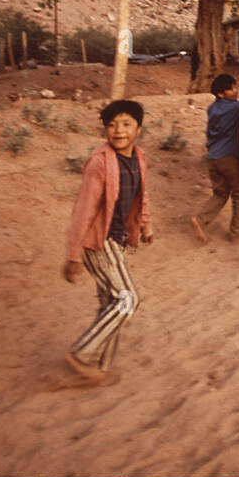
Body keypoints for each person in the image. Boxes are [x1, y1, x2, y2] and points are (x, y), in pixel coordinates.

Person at [63, 99, 153, 384]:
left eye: (126, 124)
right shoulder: (99, 163)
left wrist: (146, 225)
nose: (118, 131)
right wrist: (73, 254)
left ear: (138, 128)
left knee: (109, 305)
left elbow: (142, 195)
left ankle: (99, 367)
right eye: (112, 125)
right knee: (128, 299)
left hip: (117, 240)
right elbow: (83, 209)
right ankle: (80, 353)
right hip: (97, 242)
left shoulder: (139, 158)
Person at [191, 73, 239, 244]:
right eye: (232, 88)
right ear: (221, 93)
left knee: (220, 193)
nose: (236, 90)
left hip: (212, 158)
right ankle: (235, 233)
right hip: (229, 157)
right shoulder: (234, 107)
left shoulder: (212, 108)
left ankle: (200, 219)